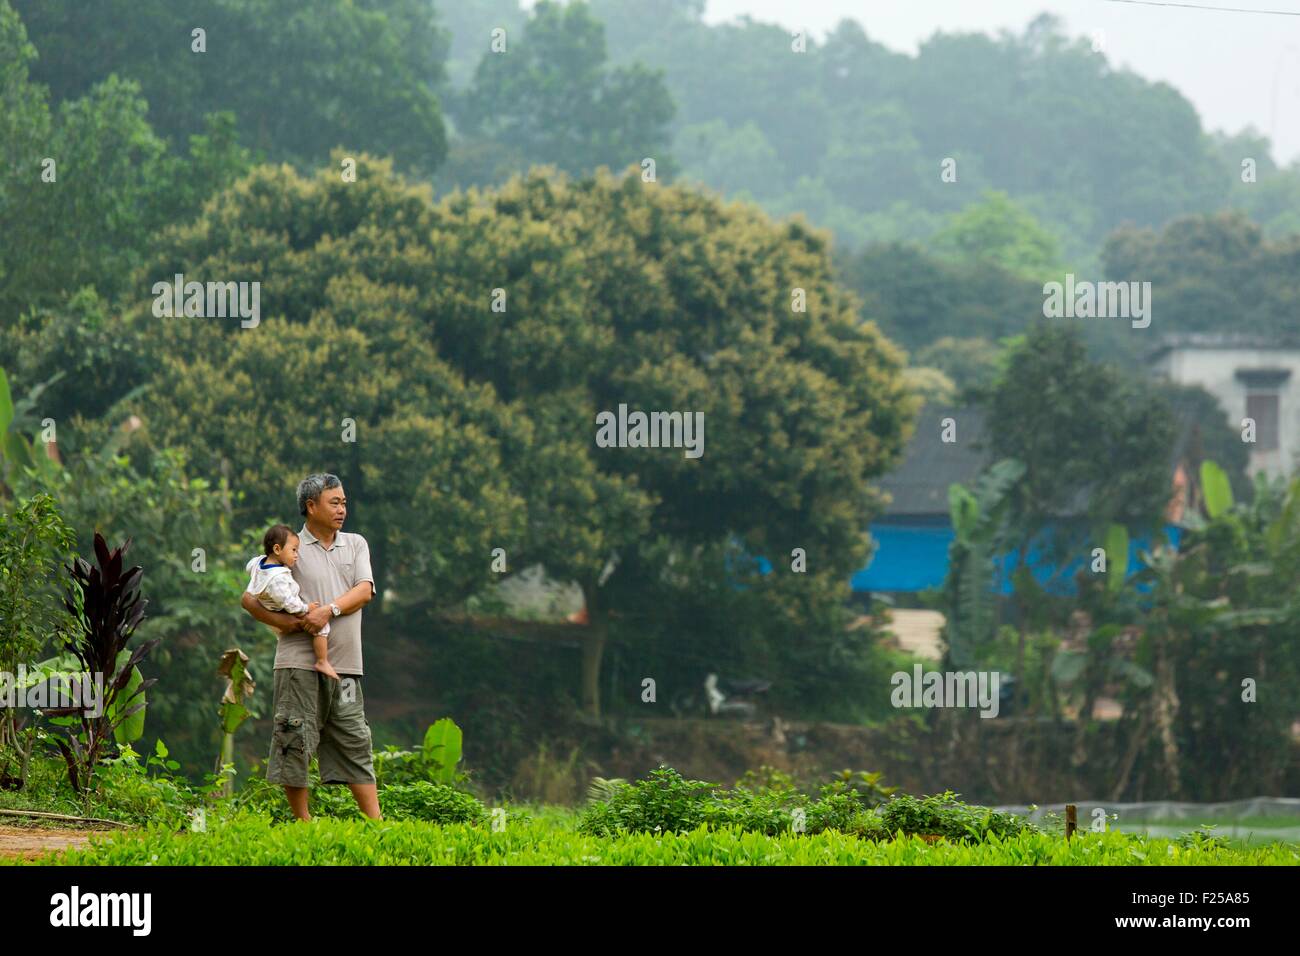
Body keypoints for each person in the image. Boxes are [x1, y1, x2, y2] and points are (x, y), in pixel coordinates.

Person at [238, 473, 381, 821]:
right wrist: (287, 624)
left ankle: (376, 824)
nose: (342, 509)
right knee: (295, 739)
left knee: (355, 740)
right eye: (334, 502)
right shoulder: (289, 548)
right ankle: (304, 824)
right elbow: (249, 598)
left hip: (346, 665)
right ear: (310, 506)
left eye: (344, 502)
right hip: (298, 663)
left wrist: (327, 611)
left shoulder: (356, 544)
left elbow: (364, 591)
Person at [244, 524, 339, 681]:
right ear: (277, 549)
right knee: (321, 624)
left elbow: (249, 567)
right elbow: (289, 603)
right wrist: (306, 607)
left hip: (271, 609)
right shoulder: (278, 579)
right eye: (293, 550)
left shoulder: (259, 562)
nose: (296, 555)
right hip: (283, 610)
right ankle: (322, 661)